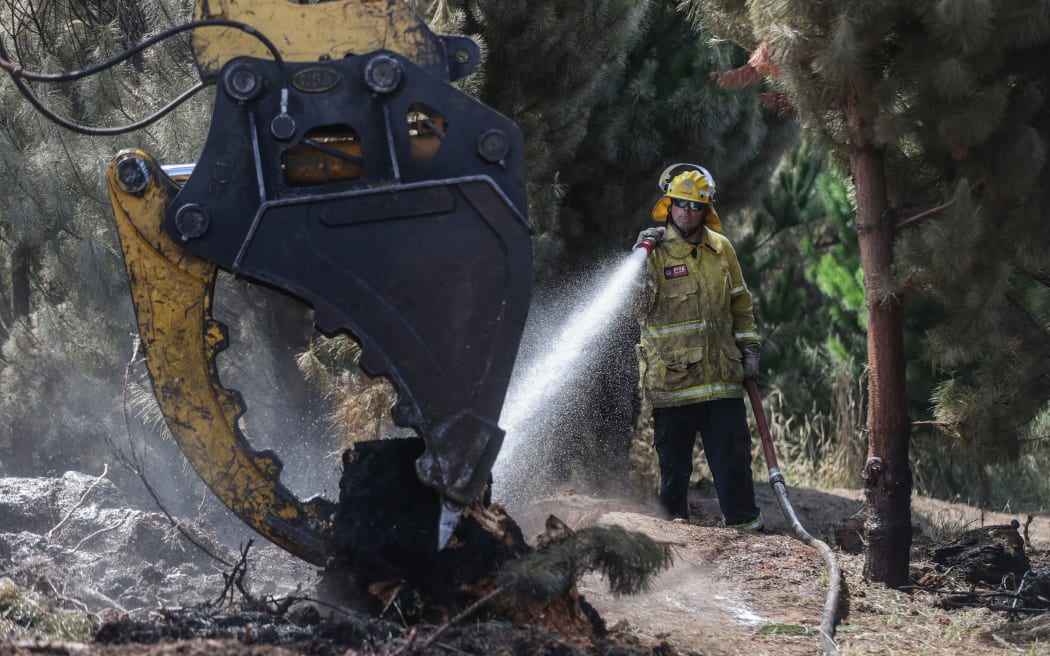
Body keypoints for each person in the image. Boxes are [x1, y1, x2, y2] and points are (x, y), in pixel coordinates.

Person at [633, 163, 764, 530]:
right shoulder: (653, 253)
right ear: (668, 205)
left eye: (694, 206)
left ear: (706, 210)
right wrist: (638, 262)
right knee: (673, 470)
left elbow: (741, 303)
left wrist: (750, 346)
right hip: (672, 384)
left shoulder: (721, 249)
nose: (686, 212)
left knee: (734, 460)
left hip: (722, 378)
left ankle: (746, 529)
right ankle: (674, 539)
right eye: (679, 204)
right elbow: (637, 310)